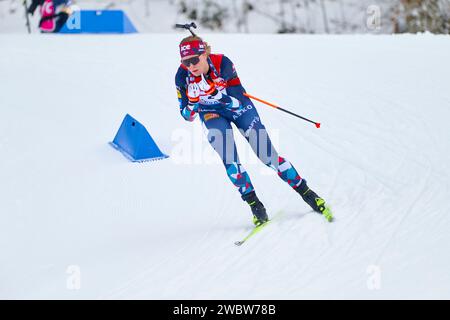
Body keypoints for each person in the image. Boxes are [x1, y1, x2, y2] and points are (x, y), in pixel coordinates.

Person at [175, 36, 333, 226]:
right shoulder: (181, 76)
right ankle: (256, 207)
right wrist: (192, 103)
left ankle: (307, 193)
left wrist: (215, 94)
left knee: (268, 157)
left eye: (195, 59)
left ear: (205, 53)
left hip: (240, 109)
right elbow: (186, 116)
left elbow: (237, 103)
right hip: (211, 114)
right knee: (231, 162)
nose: (191, 65)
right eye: (186, 61)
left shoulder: (222, 63)